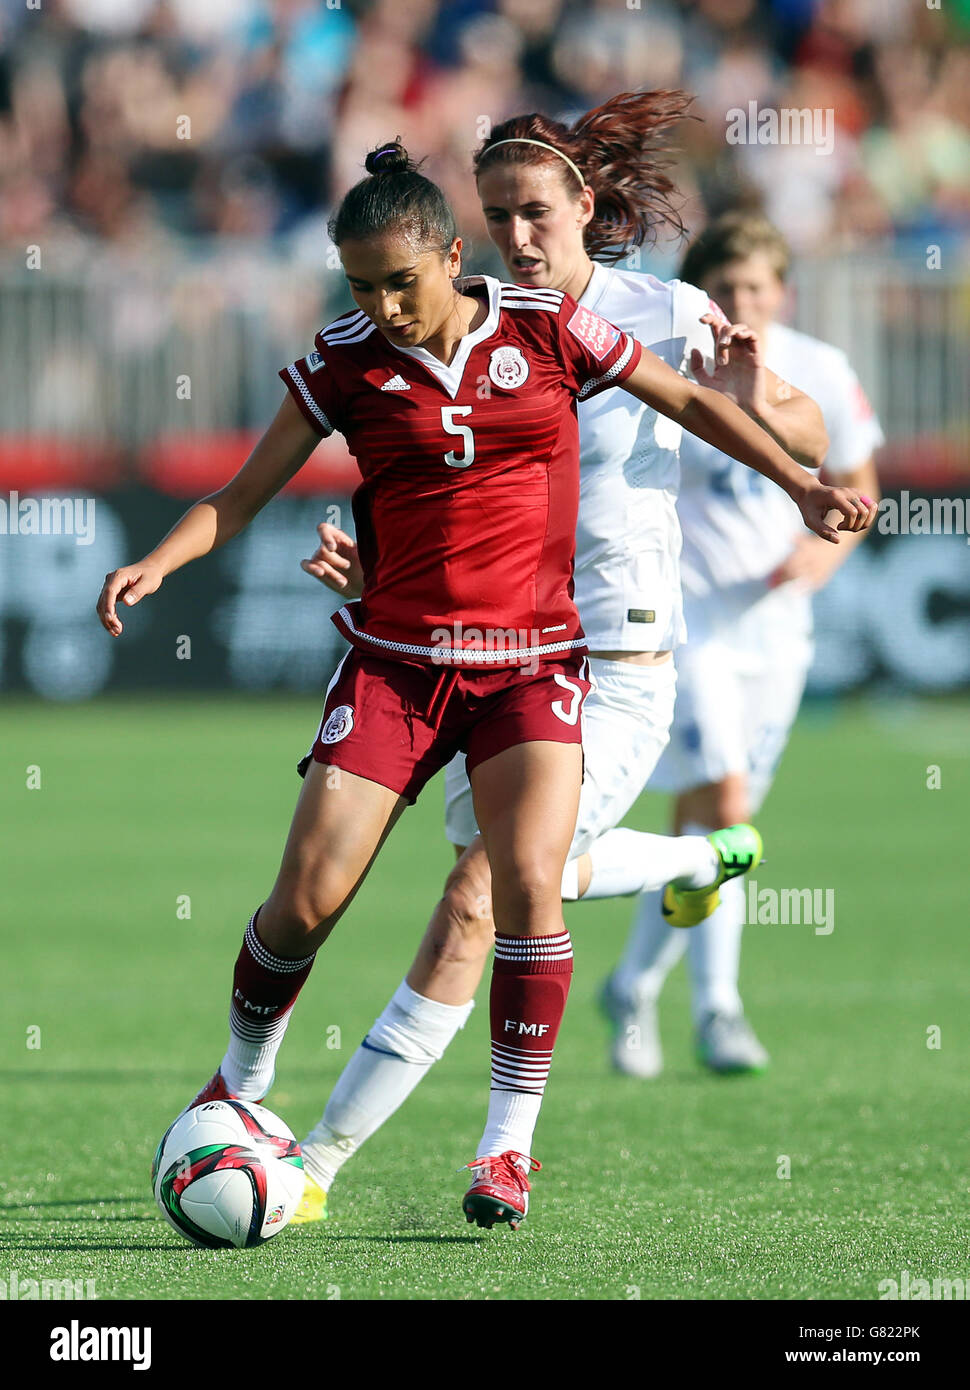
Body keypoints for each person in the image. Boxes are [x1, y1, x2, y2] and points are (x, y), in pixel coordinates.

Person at [290, 102, 873, 1224]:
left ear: (587, 212)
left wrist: (774, 425)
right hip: (489, 664)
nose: (516, 235)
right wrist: (381, 580)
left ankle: (352, 1160)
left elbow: (795, 425)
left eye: (536, 213)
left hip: (617, 655)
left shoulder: (660, 311)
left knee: (480, 897)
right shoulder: (477, 324)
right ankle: (696, 859)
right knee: (529, 878)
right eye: (497, 214)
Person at [600, 211, 883, 1077]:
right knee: (726, 809)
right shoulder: (668, 363)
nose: (740, 301)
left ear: (782, 291)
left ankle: (634, 981)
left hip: (777, 626)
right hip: (689, 623)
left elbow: (861, 484)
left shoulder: (819, 368)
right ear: (701, 293)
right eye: (724, 288)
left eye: (756, 287)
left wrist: (821, 556)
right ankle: (719, 1009)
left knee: (716, 823)